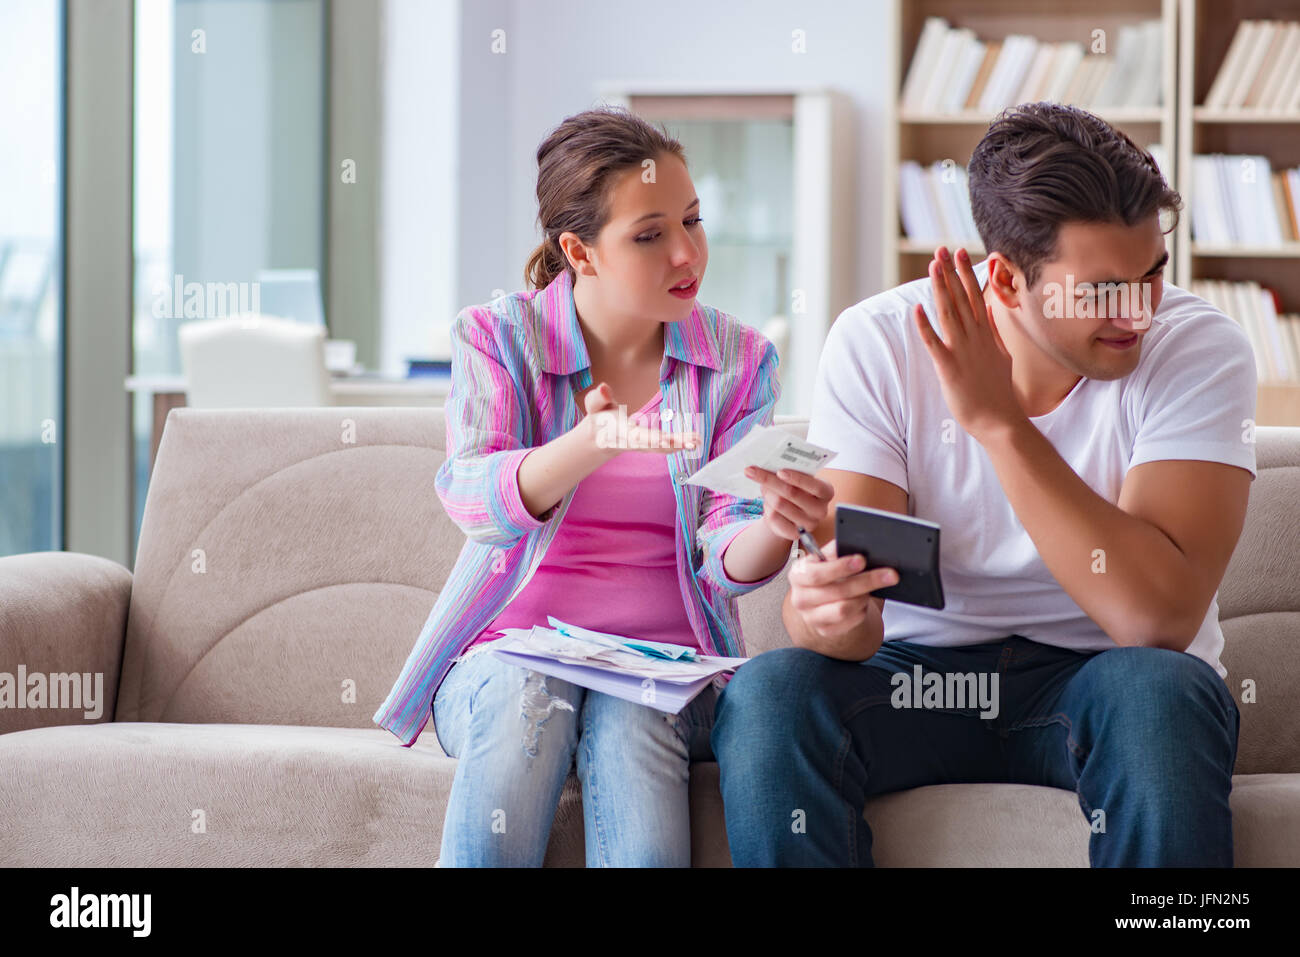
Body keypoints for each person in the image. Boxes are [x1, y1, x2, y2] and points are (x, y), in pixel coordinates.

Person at [713, 101, 1254, 867]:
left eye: (1152, 274)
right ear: (1004, 278)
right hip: (915, 679)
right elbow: (859, 613)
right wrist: (822, 614)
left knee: (1161, 693)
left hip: (1106, 680)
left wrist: (1000, 424)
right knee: (770, 694)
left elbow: (1157, 619)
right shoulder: (879, 342)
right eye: (1101, 291)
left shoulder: (1200, 349)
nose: (1139, 313)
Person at [372, 106, 833, 867]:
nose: (687, 252)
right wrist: (589, 443)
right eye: (650, 234)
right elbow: (471, 496)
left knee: (631, 723)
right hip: (505, 657)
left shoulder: (738, 360)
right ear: (579, 252)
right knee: (530, 701)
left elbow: (728, 550)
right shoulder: (500, 337)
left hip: (665, 666)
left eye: (692, 220)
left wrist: (777, 523)